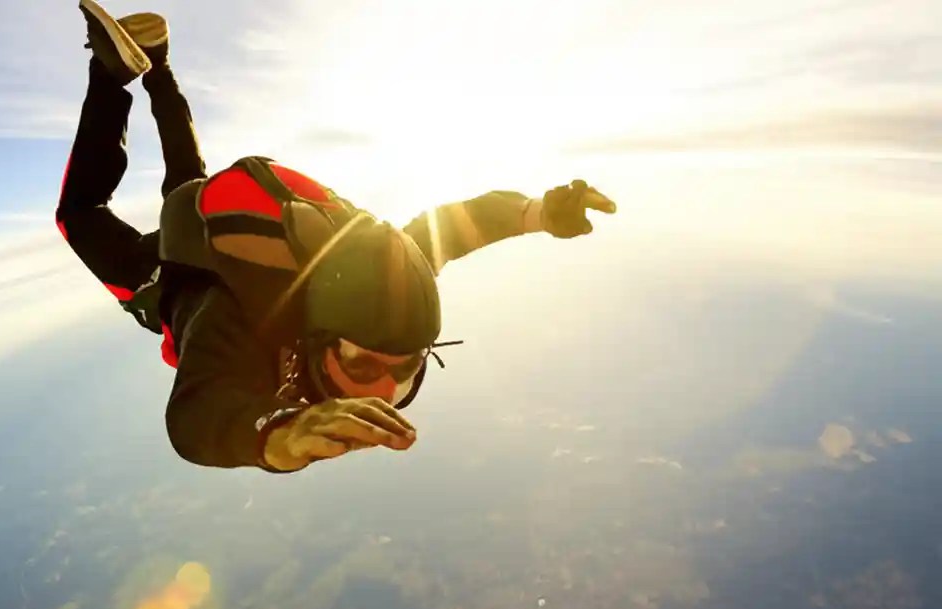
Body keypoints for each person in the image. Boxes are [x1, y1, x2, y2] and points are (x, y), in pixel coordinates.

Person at [56, 1, 617, 474]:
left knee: (188, 179)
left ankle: (157, 65)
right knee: (81, 214)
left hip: (204, 230)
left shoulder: (379, 275)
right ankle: (115, 74)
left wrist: (542, 213)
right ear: (324, 336)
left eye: (403, 369)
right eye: (367, 363)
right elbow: (196, 417)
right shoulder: (231, 319)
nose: (381, 389)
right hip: (170, 271)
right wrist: (276, 432)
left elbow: (459, 224)